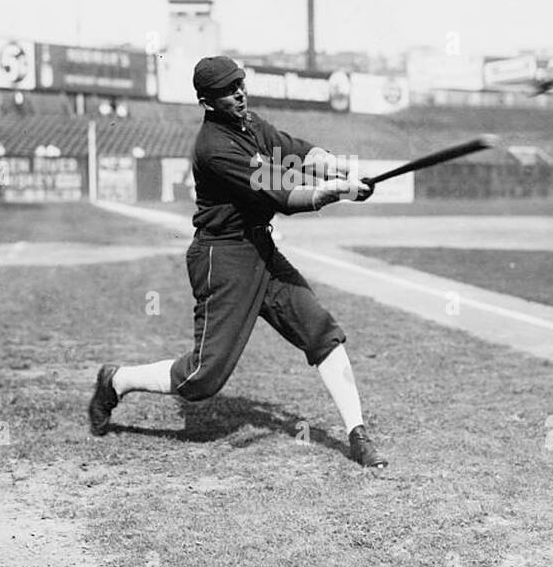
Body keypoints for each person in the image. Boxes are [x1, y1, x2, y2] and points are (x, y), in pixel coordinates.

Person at [89, 56, 388, 468]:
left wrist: (337, 165)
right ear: (208, 101)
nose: (240, 93)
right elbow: (280, 190)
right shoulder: (213, 147)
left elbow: (294, 152)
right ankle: (116, 380)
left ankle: (357, 434)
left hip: (261, 250)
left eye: (241, 84)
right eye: (229, 91)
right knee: (201, 379)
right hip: (223, 257)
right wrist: (339, 191)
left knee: (321, 331)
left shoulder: (250, 123)